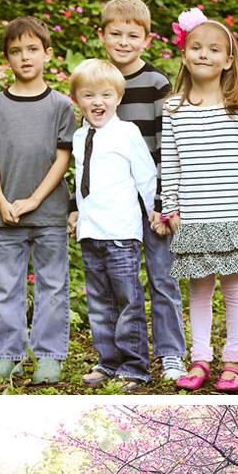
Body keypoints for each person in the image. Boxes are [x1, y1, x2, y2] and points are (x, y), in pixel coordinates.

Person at [158, 9, 238, 392]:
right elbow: (170, 165)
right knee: (199, 292)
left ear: (228, 60)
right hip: (193, 219)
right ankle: (200, 358)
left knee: (234, 291)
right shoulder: (173, 108)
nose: (204, 54)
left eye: (214, 49)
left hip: (233, 218)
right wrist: (170, 209)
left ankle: (234, 360)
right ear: (184, 55)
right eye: (196, 47)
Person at [0, 16, 76, 385]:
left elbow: (63, 158)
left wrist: (33, 199)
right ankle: (7, 356)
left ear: (47, 53)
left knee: (53, 286)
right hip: (8, 217)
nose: (25, 57)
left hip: (49, 215)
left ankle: (48, 357)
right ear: (7, 58)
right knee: (6, 287)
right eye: (16, 51)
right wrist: (1, 200)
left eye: (33, 49)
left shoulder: (61, 105)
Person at [96, 0, 187, 380]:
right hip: (115, 203)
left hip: (153, 200)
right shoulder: (98, 83)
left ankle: (171, 354)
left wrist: (165, 203)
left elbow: (170, 145)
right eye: (116, 34)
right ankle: (122, 356)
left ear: (146, 39)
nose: (123, 42)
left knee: (163, 277)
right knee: (120, 283)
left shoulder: (155, 83)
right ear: (102, 35)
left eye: (132, 36)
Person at [68, 59, 158, 390]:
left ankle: (134, 367)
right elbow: (82, 179)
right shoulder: (80, 136)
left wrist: (156, 211)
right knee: (99, 303)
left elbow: (146, 176)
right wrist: (76, 213)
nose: (98, 102)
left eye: (106, 94)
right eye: (88, 95)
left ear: (118, 97)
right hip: (90, 233)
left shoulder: (127, 132)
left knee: (127, 302)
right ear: (77, 99)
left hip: (120, 233)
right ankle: (108, 362)